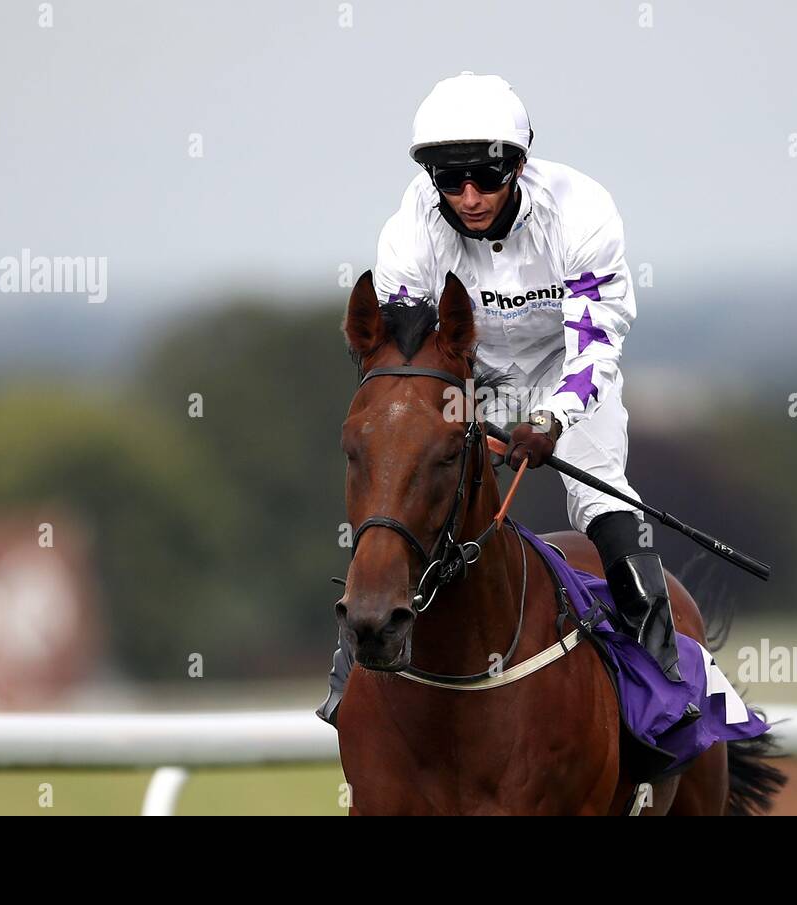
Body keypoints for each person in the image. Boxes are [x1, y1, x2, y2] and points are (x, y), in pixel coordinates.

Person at [318, 72, 680, 727]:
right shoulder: (411, 231)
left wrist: (549, 420)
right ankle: (354, 661)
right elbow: (404, 358)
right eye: (449, 181)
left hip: (566, 371)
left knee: (602, 493)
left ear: (518, 163)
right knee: (399, 478)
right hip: (467, 385)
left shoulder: (582, 211)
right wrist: (450, 418)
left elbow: (596, 344)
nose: (468, 197)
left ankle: (662, 682)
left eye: (484, 179)